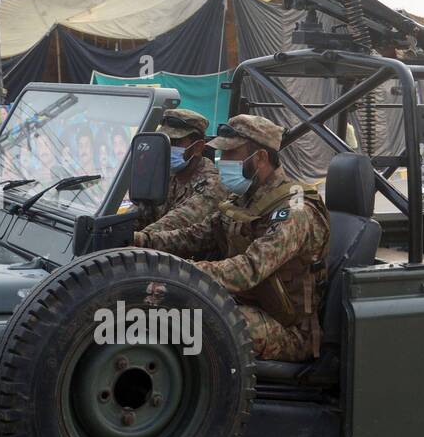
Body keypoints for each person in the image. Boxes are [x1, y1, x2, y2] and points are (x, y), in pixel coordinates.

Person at [133, 114, 330, 363]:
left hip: (290, 330)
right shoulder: (244, 199)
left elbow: (249, 268)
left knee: (196, 322)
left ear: (259, 158)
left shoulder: (295, 209)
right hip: (249, 306)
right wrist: (139, 242)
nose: (221, 161)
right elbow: (195, 237)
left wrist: (181, 274)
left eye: (230, 155)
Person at [133, 108, 227, 233]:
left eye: (175, 142)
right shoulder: (164, 176)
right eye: (165, 141)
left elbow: (177, 222)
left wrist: (135, 238)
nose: (167, 147)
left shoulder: (212, 184)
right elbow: (140, 211)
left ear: (197, 148)